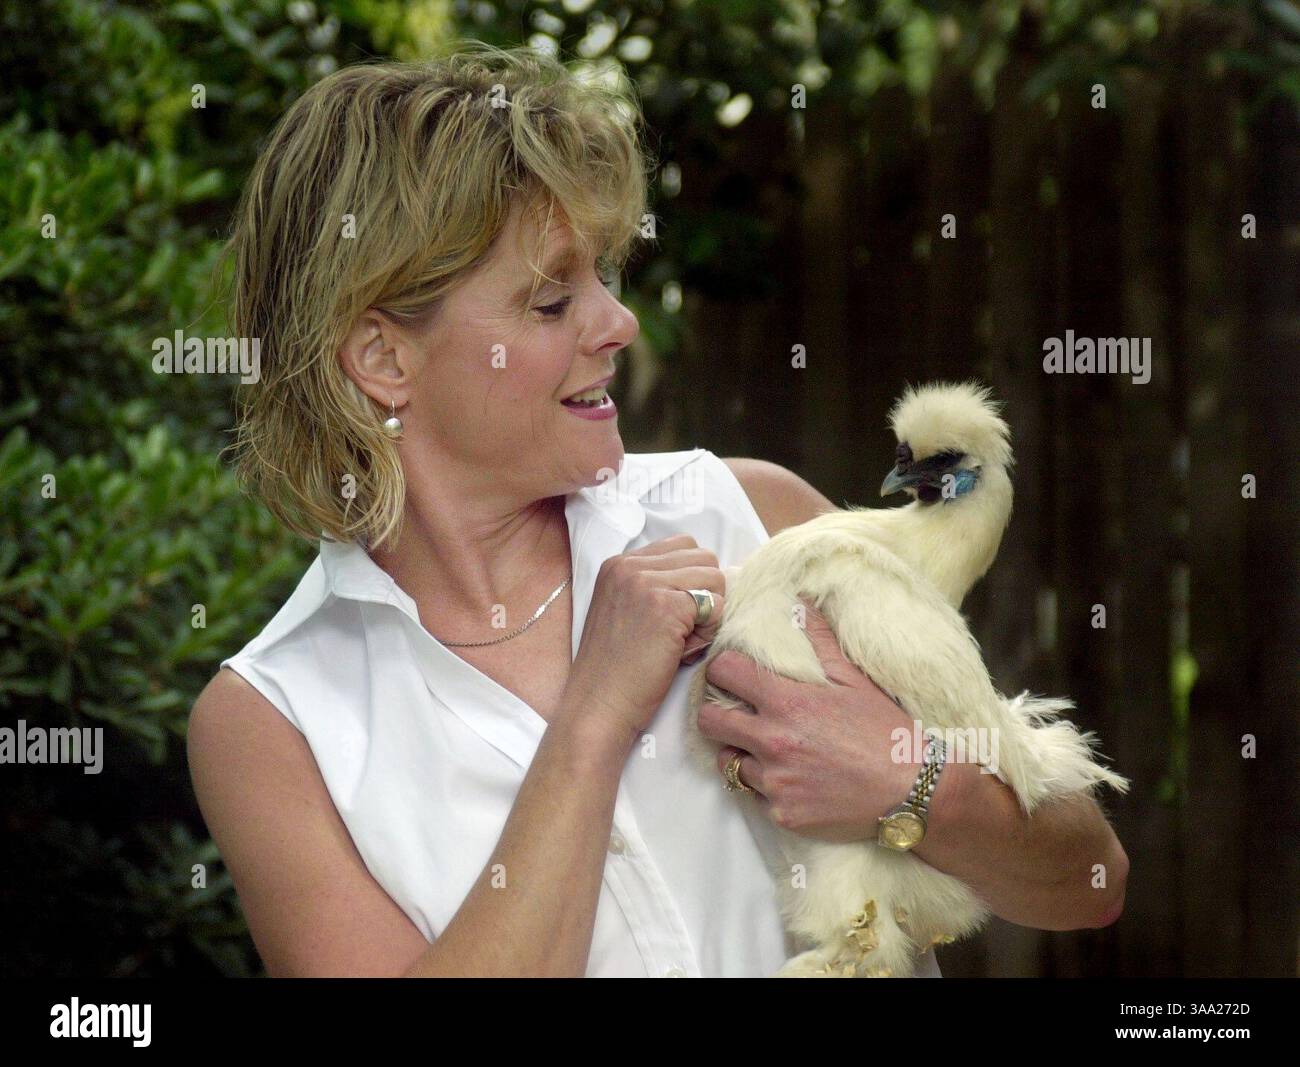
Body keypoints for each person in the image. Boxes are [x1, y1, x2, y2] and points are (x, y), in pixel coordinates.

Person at [187, 42, 1126, 978]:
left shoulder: (756, 520)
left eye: (605, 274)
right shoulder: (275, 721)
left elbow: (1089, 877)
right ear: (384, 359)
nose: (617, 321)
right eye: (553, 301)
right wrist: (593, 716)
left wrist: (907, 782)